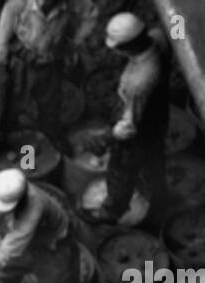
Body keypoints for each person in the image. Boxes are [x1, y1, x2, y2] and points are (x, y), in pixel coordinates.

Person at [84, 11, 170, 223]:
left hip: (138, 129)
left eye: (117, 48)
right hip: (158, 118)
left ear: (128, 46)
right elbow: (175, 30)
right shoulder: (159, 38)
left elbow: (128, 127)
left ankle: (113, 210)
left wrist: (106, 137)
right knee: (154, 161)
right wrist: (177, 17)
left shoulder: (137, 83)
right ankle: (161, 202)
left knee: (120, 169)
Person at [0, 0, 97, 141]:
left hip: (51, 59)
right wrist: (1, 46)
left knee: (50, 100)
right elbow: (8, 14)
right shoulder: (20, 3)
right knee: (11, 96)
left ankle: (51, 134)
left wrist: (75, 40)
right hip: (23, 55)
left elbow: (91, 14)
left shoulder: (75, 3)